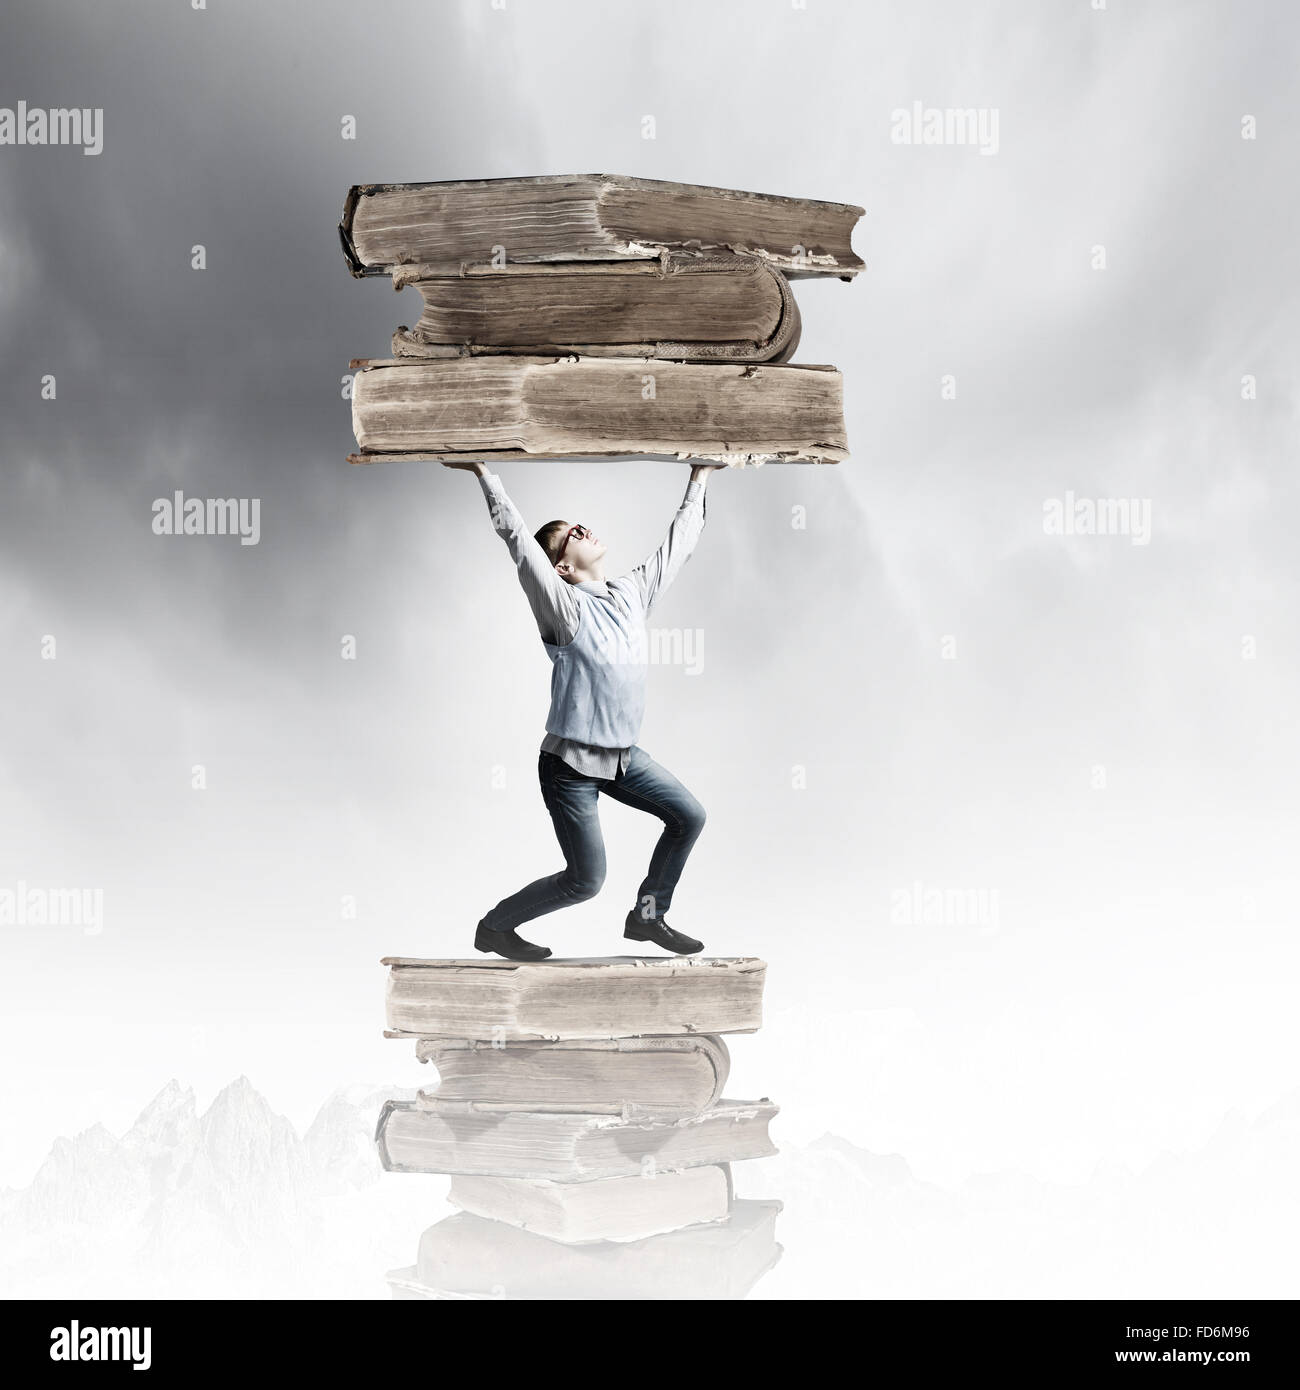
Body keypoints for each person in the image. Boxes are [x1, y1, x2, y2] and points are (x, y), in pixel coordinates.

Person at [444, 459, 725, 961]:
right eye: (572, 534)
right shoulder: (564, 608)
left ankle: (648, 916)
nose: (583, 529)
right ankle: (494, 927)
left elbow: (678, 546)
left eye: (580, 524)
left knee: (689, 816)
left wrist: (700, 475)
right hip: (569, 768)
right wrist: (483, 473)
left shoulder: (632, 594)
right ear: (564, 569)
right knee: (585, 881)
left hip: (623, 759)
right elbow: (521, 546)